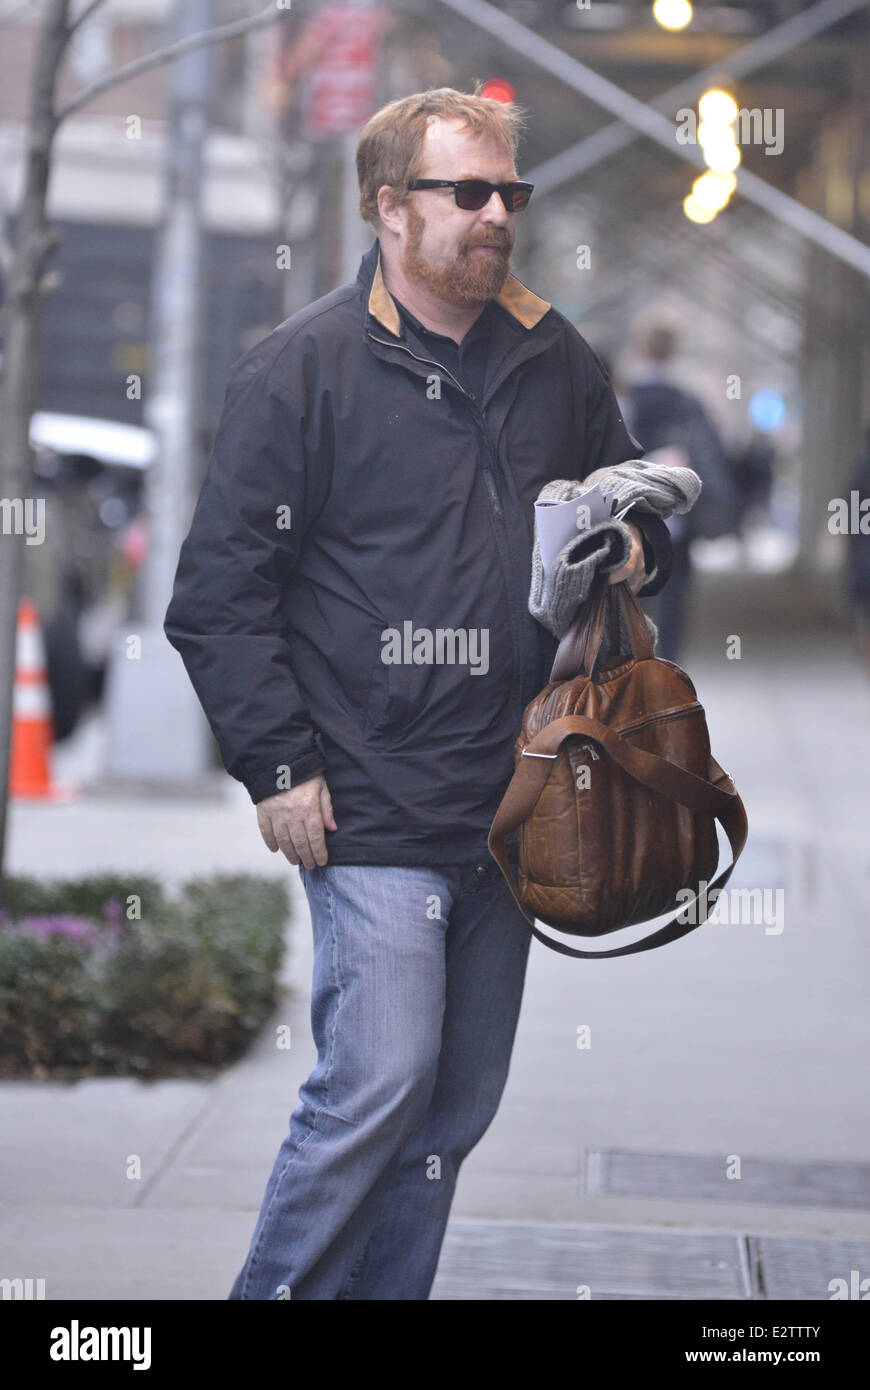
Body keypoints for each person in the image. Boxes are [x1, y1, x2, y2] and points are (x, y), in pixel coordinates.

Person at [163, 86, 672, 1301]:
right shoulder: (304, 370)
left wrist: (633, 547)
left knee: (452, 1111)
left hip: (518, 803)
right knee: (377, 1085)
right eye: (470, 193)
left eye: (512, 194)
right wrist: (280, 765)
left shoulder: (556, 357)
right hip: (373, 802)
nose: (499, 215)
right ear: (390, 209)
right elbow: (218, 594)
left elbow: (641, 509)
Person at [623, 324, 738, 662]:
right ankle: (668, 673)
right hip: (677, 517)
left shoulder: (623, 400)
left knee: (629, 595)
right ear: (674, 353)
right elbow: (712, 455)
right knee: (674, 603)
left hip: (629, 516)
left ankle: (634, 669)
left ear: (639, 349)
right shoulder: (687, 402)